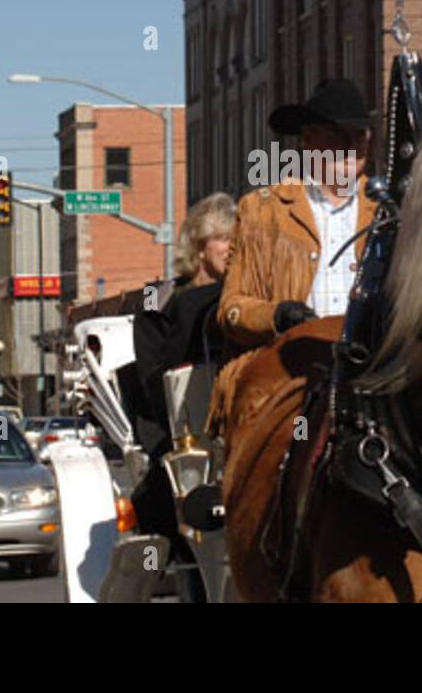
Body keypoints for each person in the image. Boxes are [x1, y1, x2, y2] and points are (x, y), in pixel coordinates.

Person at [128, 193, 236, 599]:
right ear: (198, 245)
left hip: (235, 424)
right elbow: (153, 381)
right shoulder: (162, 299)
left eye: (238, 238)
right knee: (161, 499)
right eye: (223, 238)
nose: (232, 247)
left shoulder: (246, 299)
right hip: (177, 431)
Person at [217, 78, 379, 348]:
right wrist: (277, 316)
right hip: (291, 369)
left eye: (360, 135)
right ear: (308, 139)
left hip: (372, 368)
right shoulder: (263, 211)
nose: (353, 145)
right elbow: (231, 309)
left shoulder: (387, 211)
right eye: (339, 134)